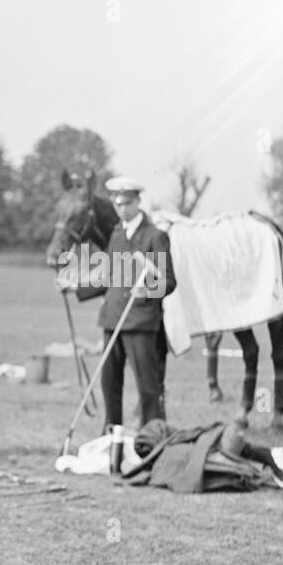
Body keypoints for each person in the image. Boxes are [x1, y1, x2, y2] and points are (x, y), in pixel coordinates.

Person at [63, 176, 176, 431]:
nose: (122, 209)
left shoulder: (155, 237)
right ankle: (111, 434)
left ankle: (152, 435)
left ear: (137, 202)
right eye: (117, 205)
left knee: (148, 386)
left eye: (126, 204)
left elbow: (168, 282)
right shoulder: (116, 234)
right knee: (109, 382)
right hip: (113, 318)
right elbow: (110, 278)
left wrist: (146, 291)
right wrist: (76, 289)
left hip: (140, 322)